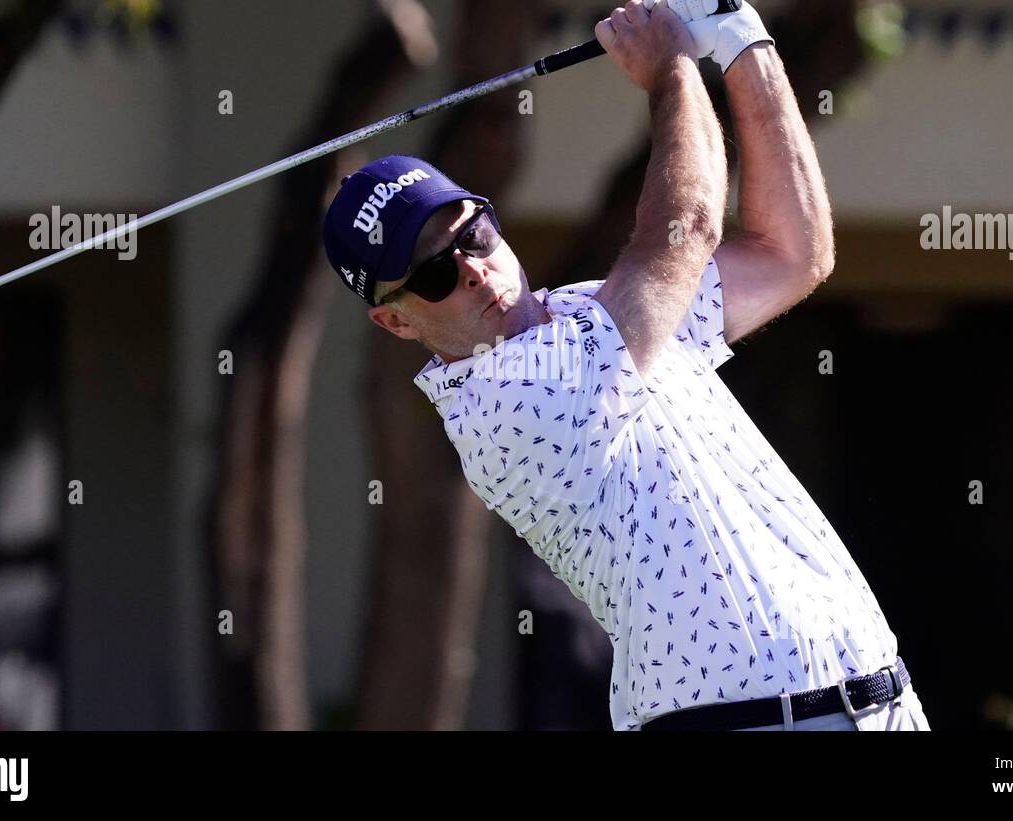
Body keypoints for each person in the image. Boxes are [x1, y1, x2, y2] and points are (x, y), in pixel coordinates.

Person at [322, 0, 931, 731]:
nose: (474, 270)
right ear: (394, 318)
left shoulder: (591, 309)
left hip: (883, 703)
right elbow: (686, 229)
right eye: (430, 276)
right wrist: (673, 67)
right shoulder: (504, 407)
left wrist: (740, 38)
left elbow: (793, 253)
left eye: (472, 233)